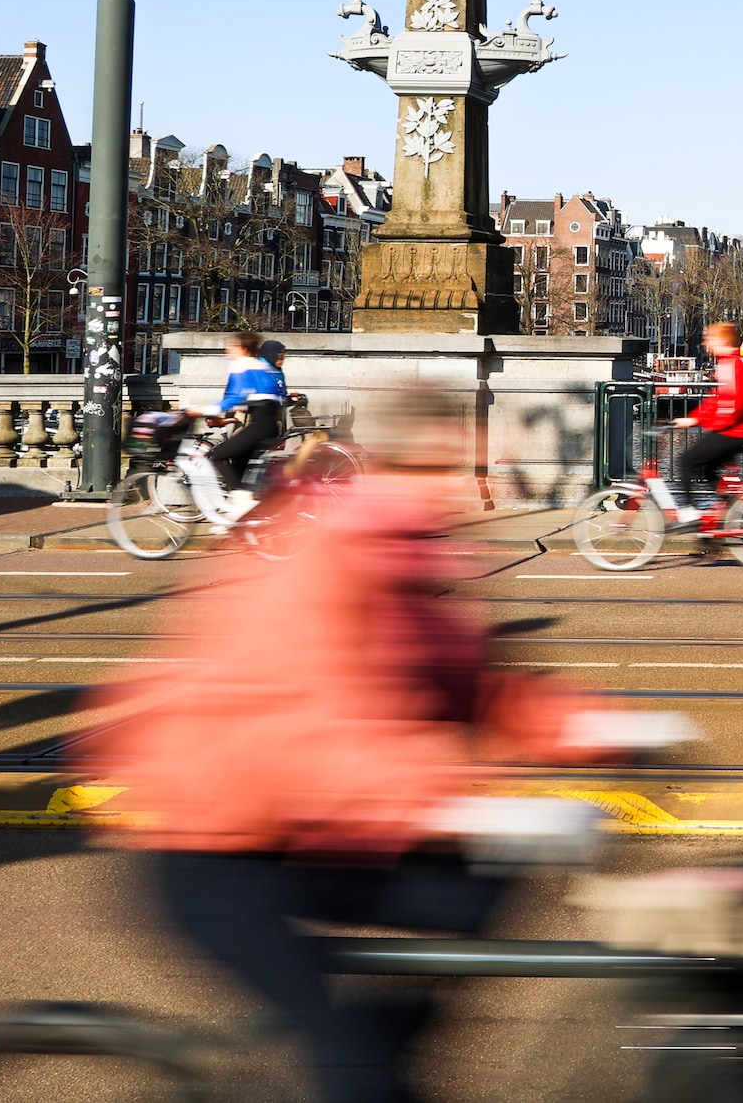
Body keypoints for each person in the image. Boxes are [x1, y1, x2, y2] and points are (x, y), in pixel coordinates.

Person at [85, 390, 693, 1103]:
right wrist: (457, 805)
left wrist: (603, 728)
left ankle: (394, 1043)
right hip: (213, 839)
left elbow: (479, 687)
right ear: (394, 466)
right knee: (350, 1061)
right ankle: (362, 1066)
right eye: (446, 465)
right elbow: (319, 739)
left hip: (306, 829)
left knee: (480, 895)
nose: (465, 485)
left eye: (469, 465)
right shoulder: (328, 557)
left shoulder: (407, 557)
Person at [671, 321, 743, 529]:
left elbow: (738, 402)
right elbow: (717, 399)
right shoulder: (729, 364)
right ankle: (734, 513)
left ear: (722, 341)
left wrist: (710, 422)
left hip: (738, 430)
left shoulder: (732, 366)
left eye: (710, 339)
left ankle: (688, 512)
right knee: (709, 470)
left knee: (686, 460)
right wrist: (693, 418)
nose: (705, 343)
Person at [202, 330, 287, 503]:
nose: (228, 350)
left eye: (232, 346)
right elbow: (269, 396)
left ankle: (243, 502)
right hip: (268, 425)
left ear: (243, 348)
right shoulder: (264, 367)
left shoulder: (242, 365)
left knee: (216, 456)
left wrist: (204, 411)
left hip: (258, 425)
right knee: (238, 463)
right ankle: (237, 512)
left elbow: (234, 397)